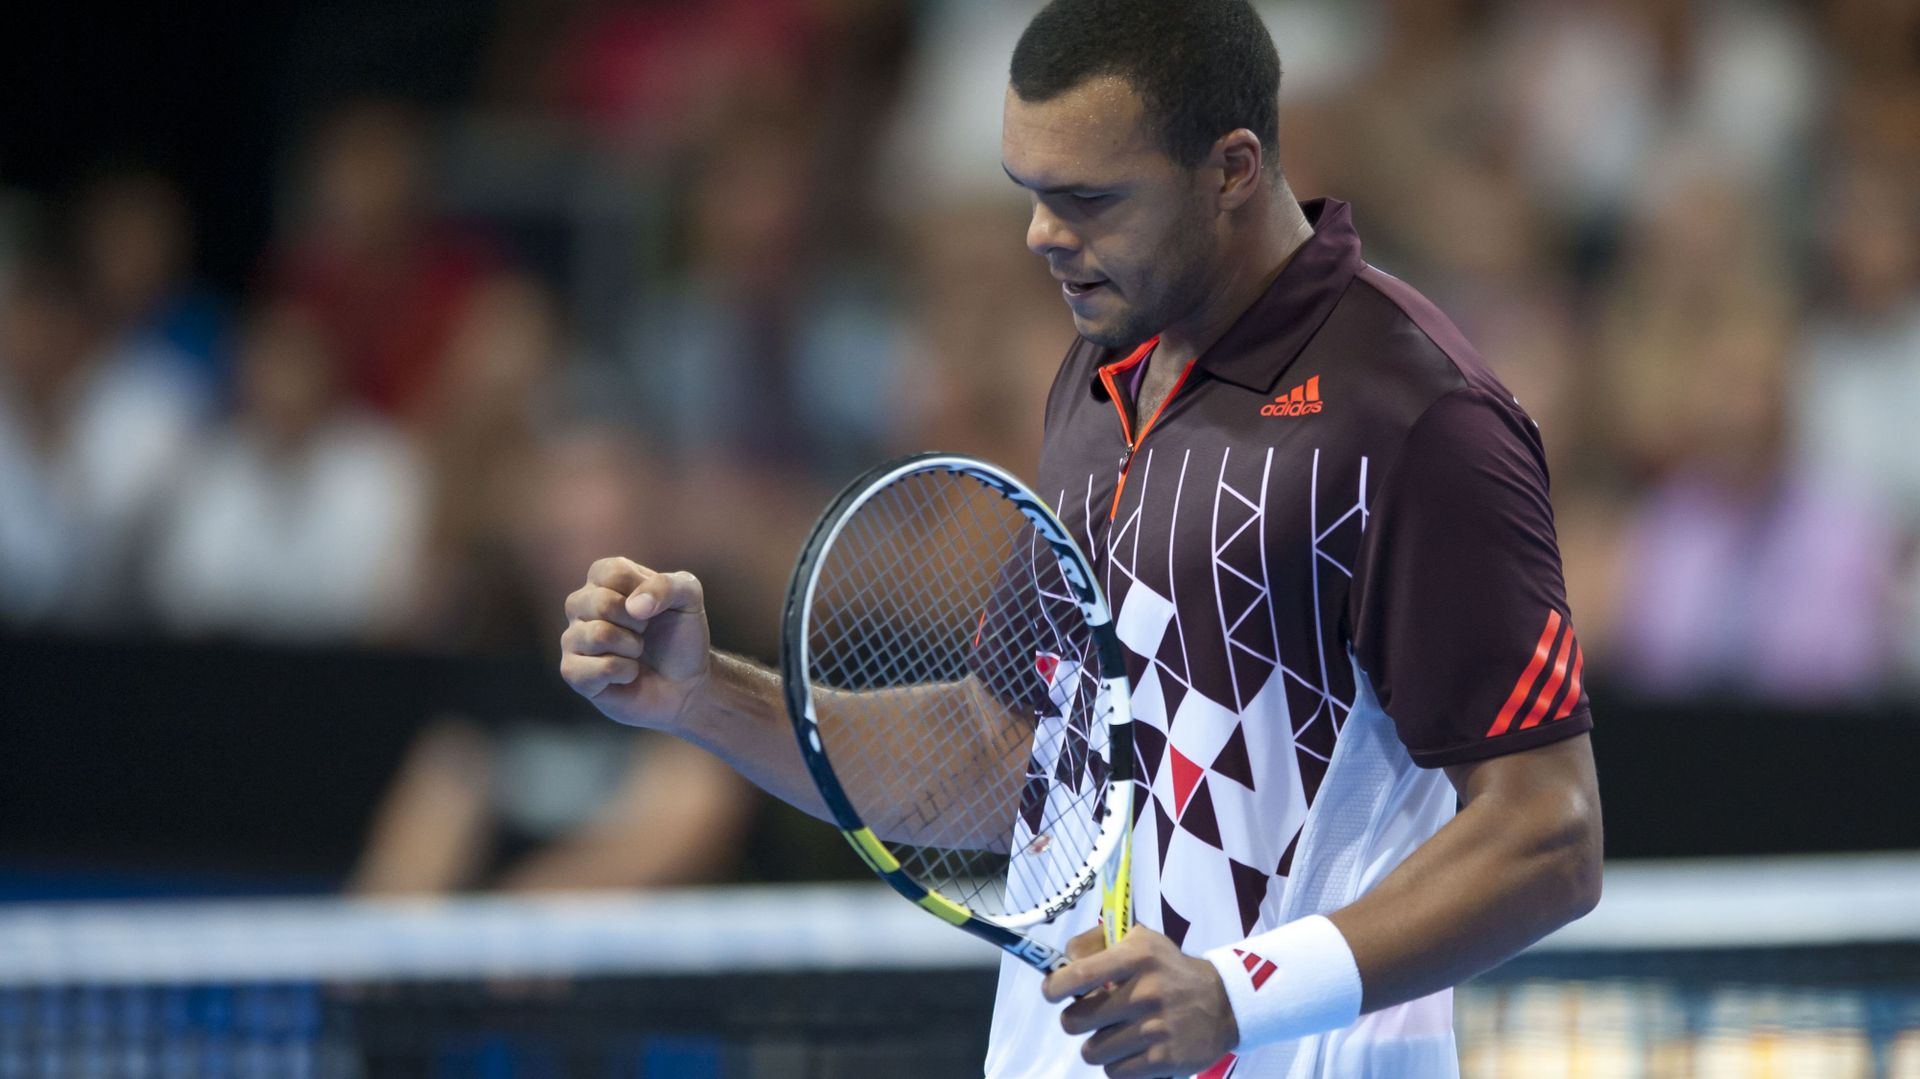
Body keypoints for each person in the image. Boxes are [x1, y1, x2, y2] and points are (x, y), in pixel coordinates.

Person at [561, 2, 1602, 1075]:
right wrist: (702, 697)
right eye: (1031, 194)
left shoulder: (1417, 416)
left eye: (1089, 199)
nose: (1043, 235)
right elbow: (999, 748)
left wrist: (1235, 994)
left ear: (1232, 168)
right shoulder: (1100, 374)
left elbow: (1549, 831)